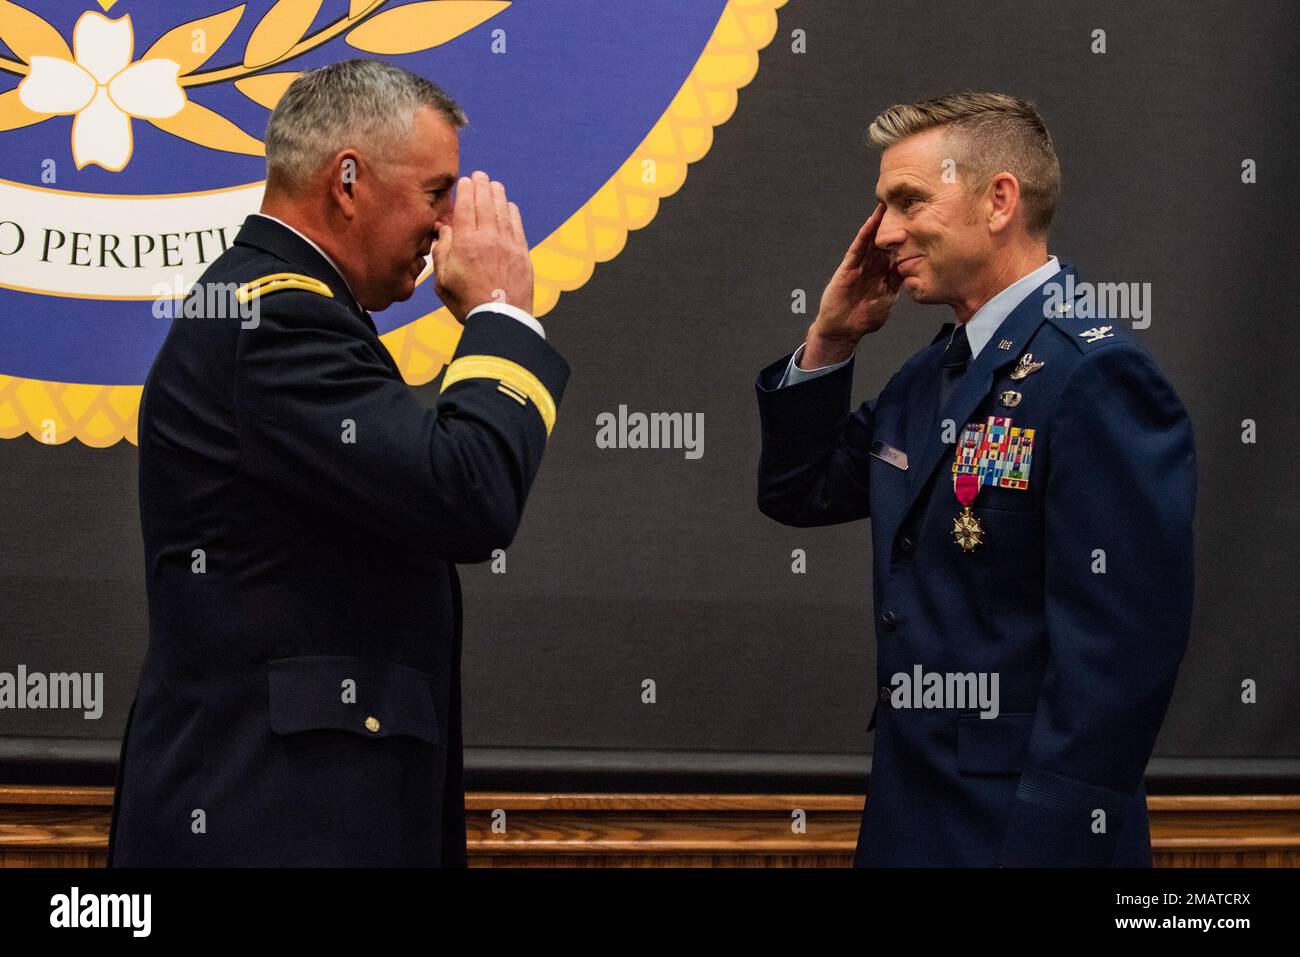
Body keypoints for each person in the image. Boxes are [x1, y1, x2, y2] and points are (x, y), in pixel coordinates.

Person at [107, 59, 569, 866]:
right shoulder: (279, 320)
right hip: (270, 824)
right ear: (347, 181)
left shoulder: (280, 307)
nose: (446, 225)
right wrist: (501, 317)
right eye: (436, 191)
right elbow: (466, 491)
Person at [754, 92, 1196, 866]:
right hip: (908, 816)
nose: (884, 232)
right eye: (881, 206)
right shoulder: (933, 372)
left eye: (908, 201)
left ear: (999, 201)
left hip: (1022, 835)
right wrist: (829, 339)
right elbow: (801, 489)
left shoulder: (1096, 374)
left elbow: (1119, 663)